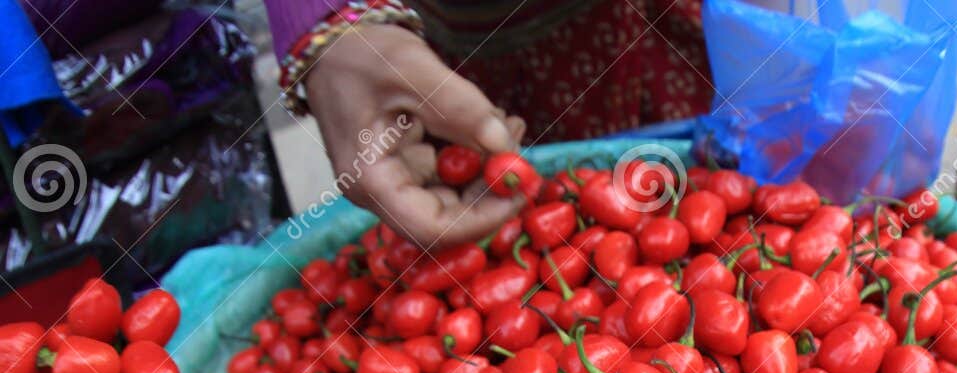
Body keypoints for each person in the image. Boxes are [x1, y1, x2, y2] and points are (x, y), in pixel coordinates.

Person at [264, 1, 713, 247]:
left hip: (622, 22)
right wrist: (328, 23)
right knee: (457, 173)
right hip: (432, 45)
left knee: (680, 172)